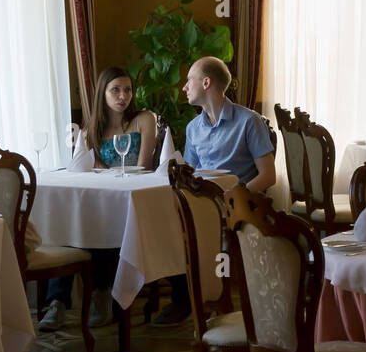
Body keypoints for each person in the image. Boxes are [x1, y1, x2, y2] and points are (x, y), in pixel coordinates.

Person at [150, 56, 275, 327]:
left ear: (206, 82)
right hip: (203, 206)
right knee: (160, 224)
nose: (184, 87)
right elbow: (191, 174)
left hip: (238, 207)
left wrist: (231, 199)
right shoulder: (193, 128)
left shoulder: (249, 122)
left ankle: (214, 301)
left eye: (189, 80)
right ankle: (187, 299)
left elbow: (268, 176)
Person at [39, 66, 159, 332]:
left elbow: (144, 166)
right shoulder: (91, 129)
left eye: (127, 89)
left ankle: (102, 294)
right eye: (115, 90)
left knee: (102, 223)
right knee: (74, 225)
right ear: (102, 94)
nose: (123, 96)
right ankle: (57, 302)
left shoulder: (143, 119)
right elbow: (91, 171)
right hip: (103, 197)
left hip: (132, 199)